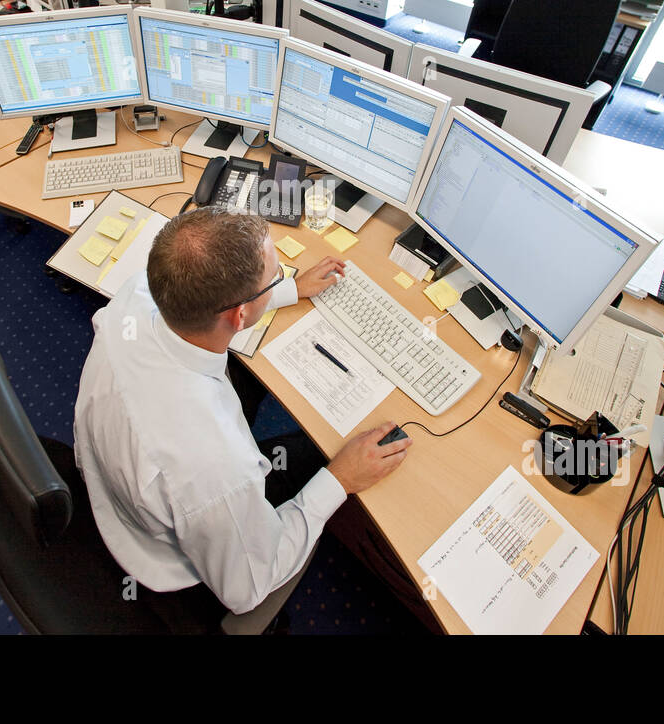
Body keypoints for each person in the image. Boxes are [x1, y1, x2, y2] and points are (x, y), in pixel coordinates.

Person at [74, 208, 413, 633]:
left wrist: (286, 290)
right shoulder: (215, 468)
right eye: (274, 278)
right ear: (238, 315)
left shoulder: (138, 294)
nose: (279, 281)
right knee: (313, 452)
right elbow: (248, 587)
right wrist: (340, 479)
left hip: (115, 482)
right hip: (169, 565)